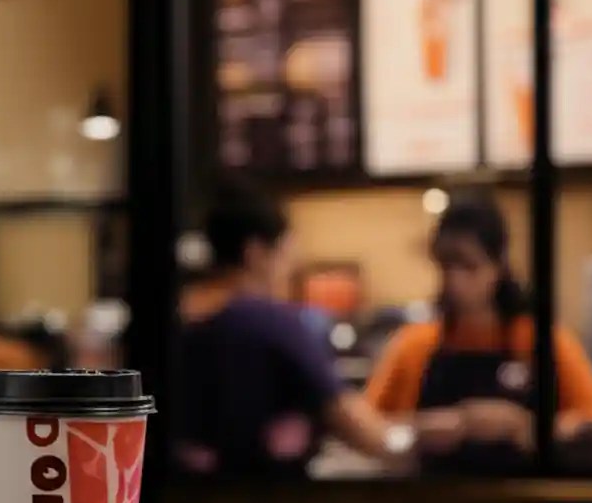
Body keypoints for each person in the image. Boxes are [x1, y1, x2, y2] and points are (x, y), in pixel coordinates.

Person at [177, 186, 437, 478]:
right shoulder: (271, 323)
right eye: (285, 255)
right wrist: (423, 439)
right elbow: (358, 427)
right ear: (255, 253)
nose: (289, 270)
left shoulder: (181, 316)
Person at [366, 196, 592, 470]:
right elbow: (366, 431)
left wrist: (523, 427)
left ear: (499, 266)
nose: (455, 281)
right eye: (446, 267)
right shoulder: (414, 346)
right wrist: (418, 430)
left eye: (469, 267)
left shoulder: (543, 341)